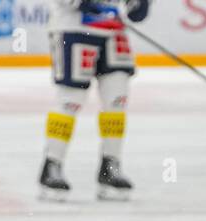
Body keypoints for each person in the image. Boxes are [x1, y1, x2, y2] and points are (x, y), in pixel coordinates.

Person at [39, 0, 151, 200]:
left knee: (117, 99)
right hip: (73, 28)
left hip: (113, 31)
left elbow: (136, 13)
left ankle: (110, 165)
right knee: (71, 100)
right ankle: (52, 165)